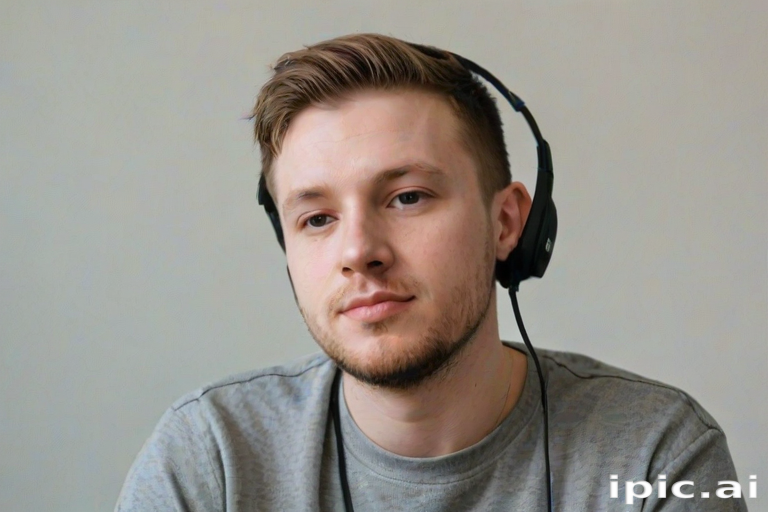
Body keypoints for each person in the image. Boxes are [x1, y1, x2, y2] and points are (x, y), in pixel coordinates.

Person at [115, 33, 747, 511]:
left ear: (507, 226)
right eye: (316, 219)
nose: (358, 251)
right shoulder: (212, 460)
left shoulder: (656, 455)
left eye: (407, 197)